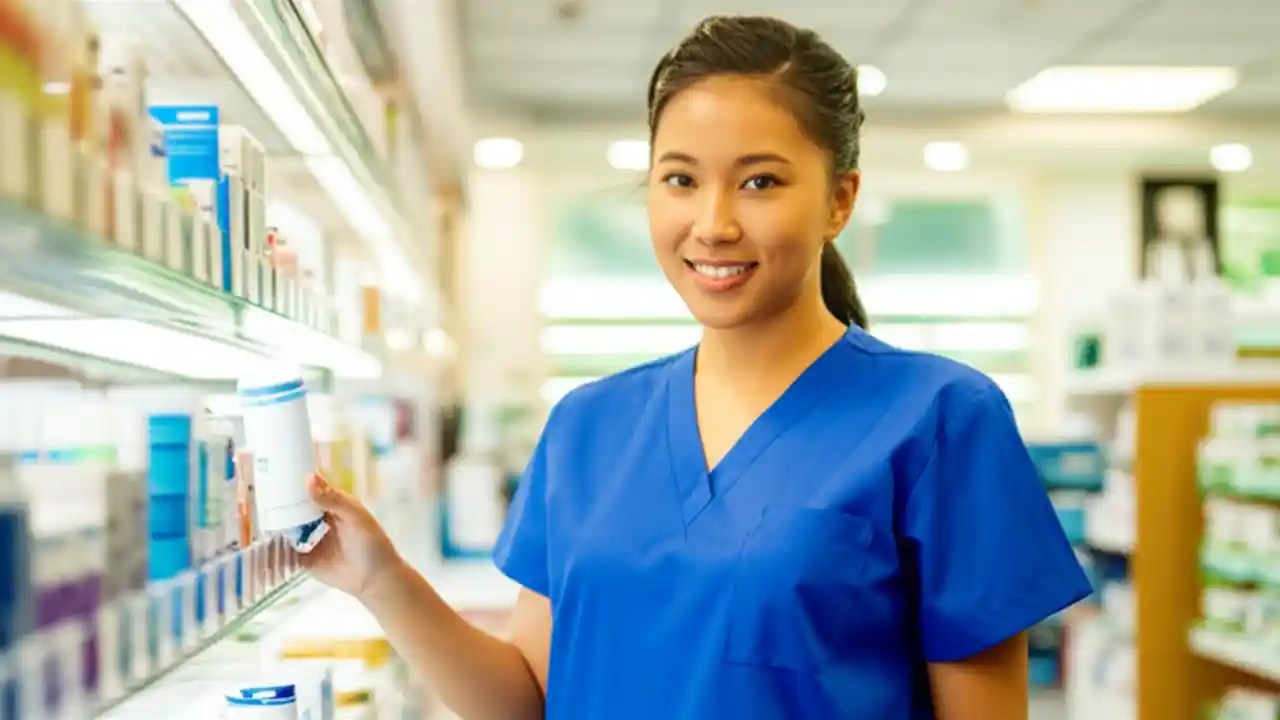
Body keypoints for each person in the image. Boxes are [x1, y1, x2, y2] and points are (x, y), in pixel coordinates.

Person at [301, 15, 1091, 720]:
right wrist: (381, 579)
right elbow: (523, 702)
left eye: (760, 182)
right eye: (680, 179)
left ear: (839, 200)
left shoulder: (940, 418)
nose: (712, 224)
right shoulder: (588, 426)